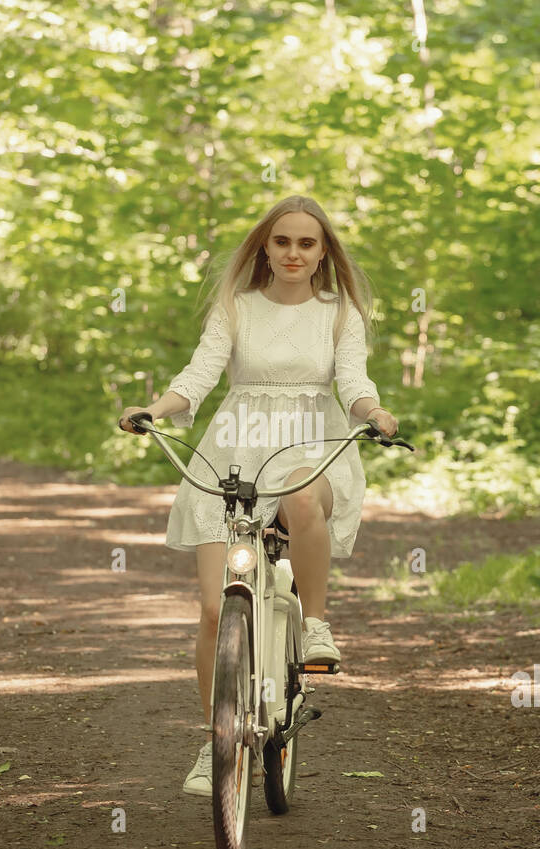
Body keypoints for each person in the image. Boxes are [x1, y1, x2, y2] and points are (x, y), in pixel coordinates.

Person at [117, 195, 399, 796]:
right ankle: (215, 742)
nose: (293, 252)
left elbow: (353, 381)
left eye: (306, 243)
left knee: (302, 498)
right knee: (214, 609)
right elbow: (200, 374)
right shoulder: (237, 307)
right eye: (282, 241)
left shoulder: (340, 312)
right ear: (265, 248)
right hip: (235, 444)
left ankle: (315, 624)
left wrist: (374, 412)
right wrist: (155, 409)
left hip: (310, 441)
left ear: (323, 252)